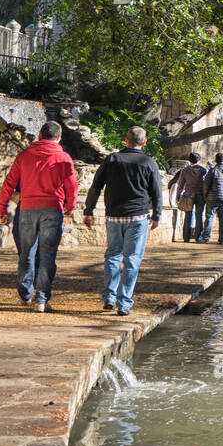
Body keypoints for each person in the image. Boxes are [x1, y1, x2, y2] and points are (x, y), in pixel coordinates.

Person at [0, 122, 78, 313]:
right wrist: (70, 205)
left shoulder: (23, 156)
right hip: (52, 209)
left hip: (27, 208)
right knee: (47, 255)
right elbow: (72, 185)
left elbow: (9, 183)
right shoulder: (63, 158)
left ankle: (25, 293)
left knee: (27, 252)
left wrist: (2, 208)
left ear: (40, 135)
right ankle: (41, 299)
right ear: (59, 137)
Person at [83, 126, 165, 315]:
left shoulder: (112, 159)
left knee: (113, 256)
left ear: (126, 140)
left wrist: (89, 210)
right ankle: (124, 302)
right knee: (132, 260)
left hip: (114, 216)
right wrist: (157, 215)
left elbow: (96, 186)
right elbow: (156, 192)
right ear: (143, 142)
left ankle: (110, 297)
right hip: (137, 217)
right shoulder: (148, 162)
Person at [168, 153, 208, 243]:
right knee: (199, 216)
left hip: (188, 195)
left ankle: (186, 238)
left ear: (189, 160)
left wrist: (178, 196)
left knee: (187, 216)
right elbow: (206, 183)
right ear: (199, 160)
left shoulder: (185, 170)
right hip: (200, 195)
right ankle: (198, 237)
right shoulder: (203, 170)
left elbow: (181, 184)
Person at [200, 152, 223, 244]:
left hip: (212, 198)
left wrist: (206, 196)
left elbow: (206, 185)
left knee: (209, 217)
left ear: (216, 161)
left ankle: (205, 239)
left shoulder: (213, 171)